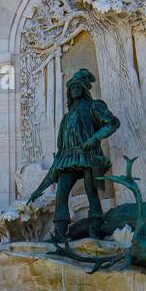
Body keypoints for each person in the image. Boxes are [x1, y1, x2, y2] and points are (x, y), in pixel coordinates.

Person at [28, 67, 120, 242]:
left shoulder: (94, 106)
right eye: (72, 87)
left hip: (88, 155)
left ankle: (95, 228)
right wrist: (38, 190)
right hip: (68, 159)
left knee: (91, 192)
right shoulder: (65, 118)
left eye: (78, 86)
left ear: (84, 90)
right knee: (61, 193)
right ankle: (60, 232)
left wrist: (94, 139)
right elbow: (60, 154)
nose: (75, 89)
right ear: (69, 92)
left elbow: (113, 123)